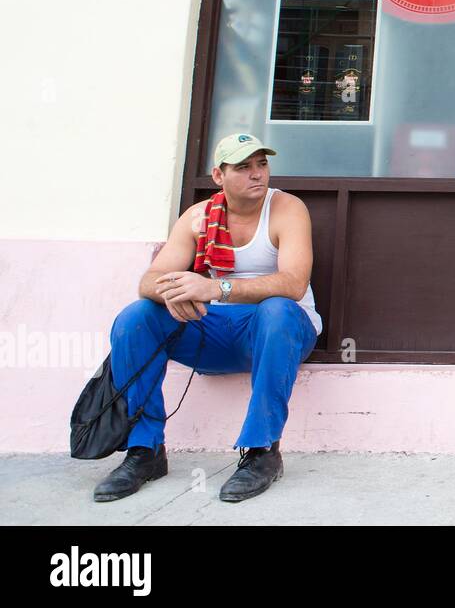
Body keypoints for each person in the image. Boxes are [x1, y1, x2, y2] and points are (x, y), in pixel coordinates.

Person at [92, 133, 322, 503]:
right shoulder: (198, 218)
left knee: (277, 310)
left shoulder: (287, 208)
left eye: (261, 164)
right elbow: (149, 281)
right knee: (137, 318)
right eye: (243, 167)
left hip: (278, 331)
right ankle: (145, 451)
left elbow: (293, 284)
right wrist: (176, 293)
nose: (256, 174)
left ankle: (262, 452)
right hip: (216, 331)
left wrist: (215, 289)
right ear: (219, 175)